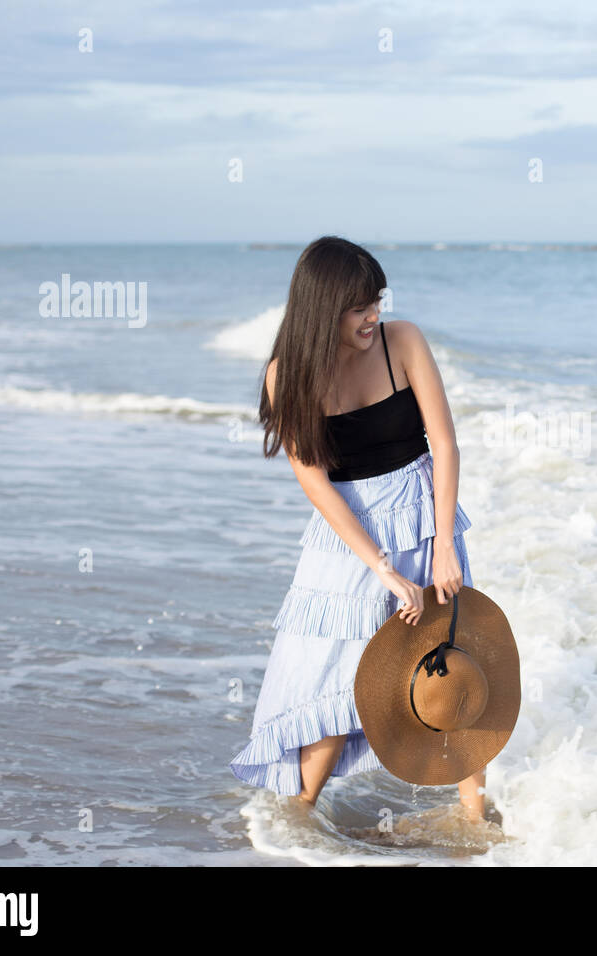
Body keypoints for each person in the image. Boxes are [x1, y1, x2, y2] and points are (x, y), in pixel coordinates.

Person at [228, 235, 485, 819]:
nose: (373, 316)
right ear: (322, 310)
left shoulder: (405, 342)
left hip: (423, 514)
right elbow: (314, 481)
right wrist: (379, 566)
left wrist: (444, 543)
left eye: (376, 301)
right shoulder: (285, 375)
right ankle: (302, 809)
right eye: (358, 307)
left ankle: (475, 813)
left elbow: (443, 444)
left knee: (451, 656)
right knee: (336, 667)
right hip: (350, 532)